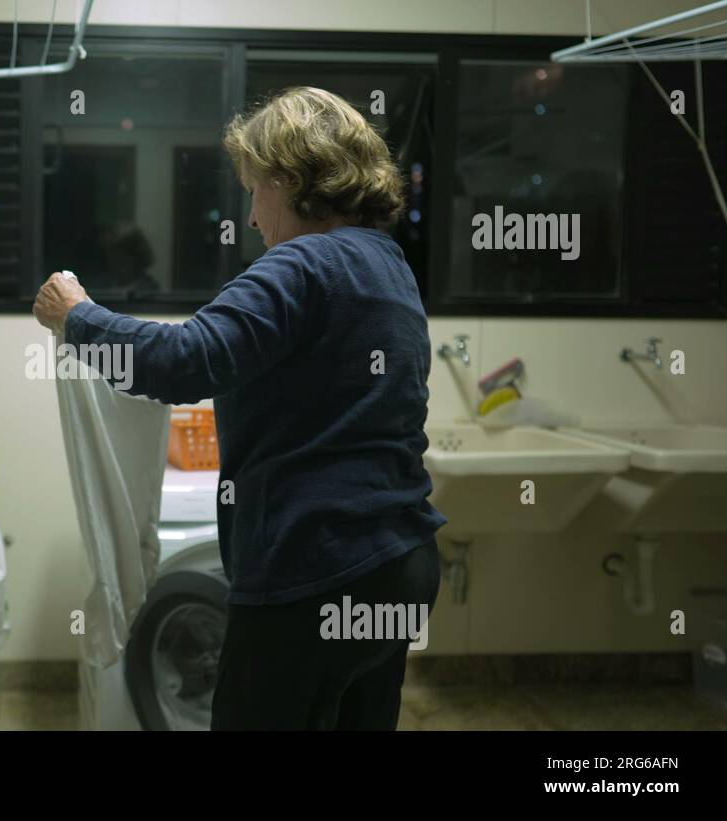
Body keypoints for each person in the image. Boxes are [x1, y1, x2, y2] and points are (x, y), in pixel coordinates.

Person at [32, 86, 447, 731]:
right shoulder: (387, 264)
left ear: (288, 178)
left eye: (254, 189)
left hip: (314, 569)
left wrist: (78, 318)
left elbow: (186, 361)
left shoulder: (301, 265)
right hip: (400, 564)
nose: (252, 216)